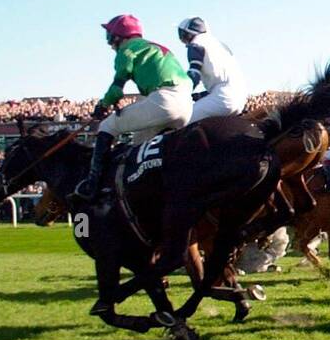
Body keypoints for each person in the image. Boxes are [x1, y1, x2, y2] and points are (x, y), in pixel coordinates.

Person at [73, 15, 193, 202]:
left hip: (164, 101)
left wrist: (103, 105)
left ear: (117, 36)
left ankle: (93, 184)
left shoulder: (126, 50)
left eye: (109, 37)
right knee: (139, 146)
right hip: (186, 106)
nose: (109, 43)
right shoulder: (157, 47)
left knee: (107, 126)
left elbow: (116, 90)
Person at [177, 17, 249, 123]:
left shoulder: (196, 44)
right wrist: (200, 95)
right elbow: (222, 81)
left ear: (188, 33)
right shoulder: (218, 44)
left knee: (179, 121)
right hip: (240, 99)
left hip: (223, 99)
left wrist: (178, 94)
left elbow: (194, 75)